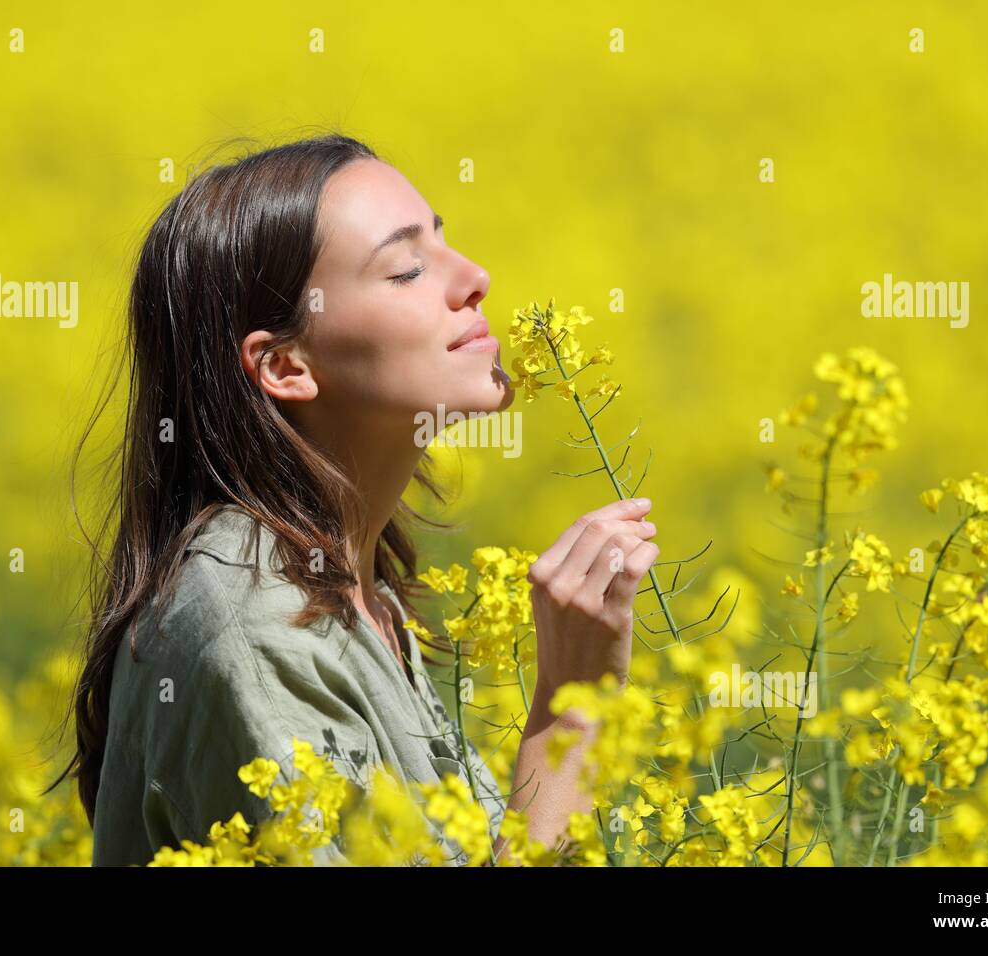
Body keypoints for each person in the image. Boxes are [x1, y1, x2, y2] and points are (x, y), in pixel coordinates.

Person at [50, 132, 659, 865]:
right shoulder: (253, 628)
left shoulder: (348, 590)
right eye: (406, 270)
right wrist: (571, 712)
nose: (475, 278)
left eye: (445, 241)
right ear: (285, 366)